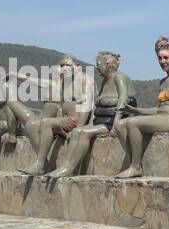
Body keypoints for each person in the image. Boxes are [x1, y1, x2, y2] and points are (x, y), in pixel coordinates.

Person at [113, 37, 169, 178]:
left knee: (133, 123)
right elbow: (158, 110)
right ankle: (135, 159)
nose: (162, 61)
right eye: (160, 58)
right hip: (162, 116)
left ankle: (135, 167)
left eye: (166, 58)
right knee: (120, 124)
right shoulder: (162, 81)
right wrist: (136, 110)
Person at [48, 50, 136, 178]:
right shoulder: (105, 81)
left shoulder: (119, 77)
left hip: (111, 123)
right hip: (102, 121)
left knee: (82, 133)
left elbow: (123, 99)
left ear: (109, 64)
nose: (96, 67)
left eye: (99, 63)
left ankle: (68, 168)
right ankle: (67, 166)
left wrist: (117, 121)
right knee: (77, 131)